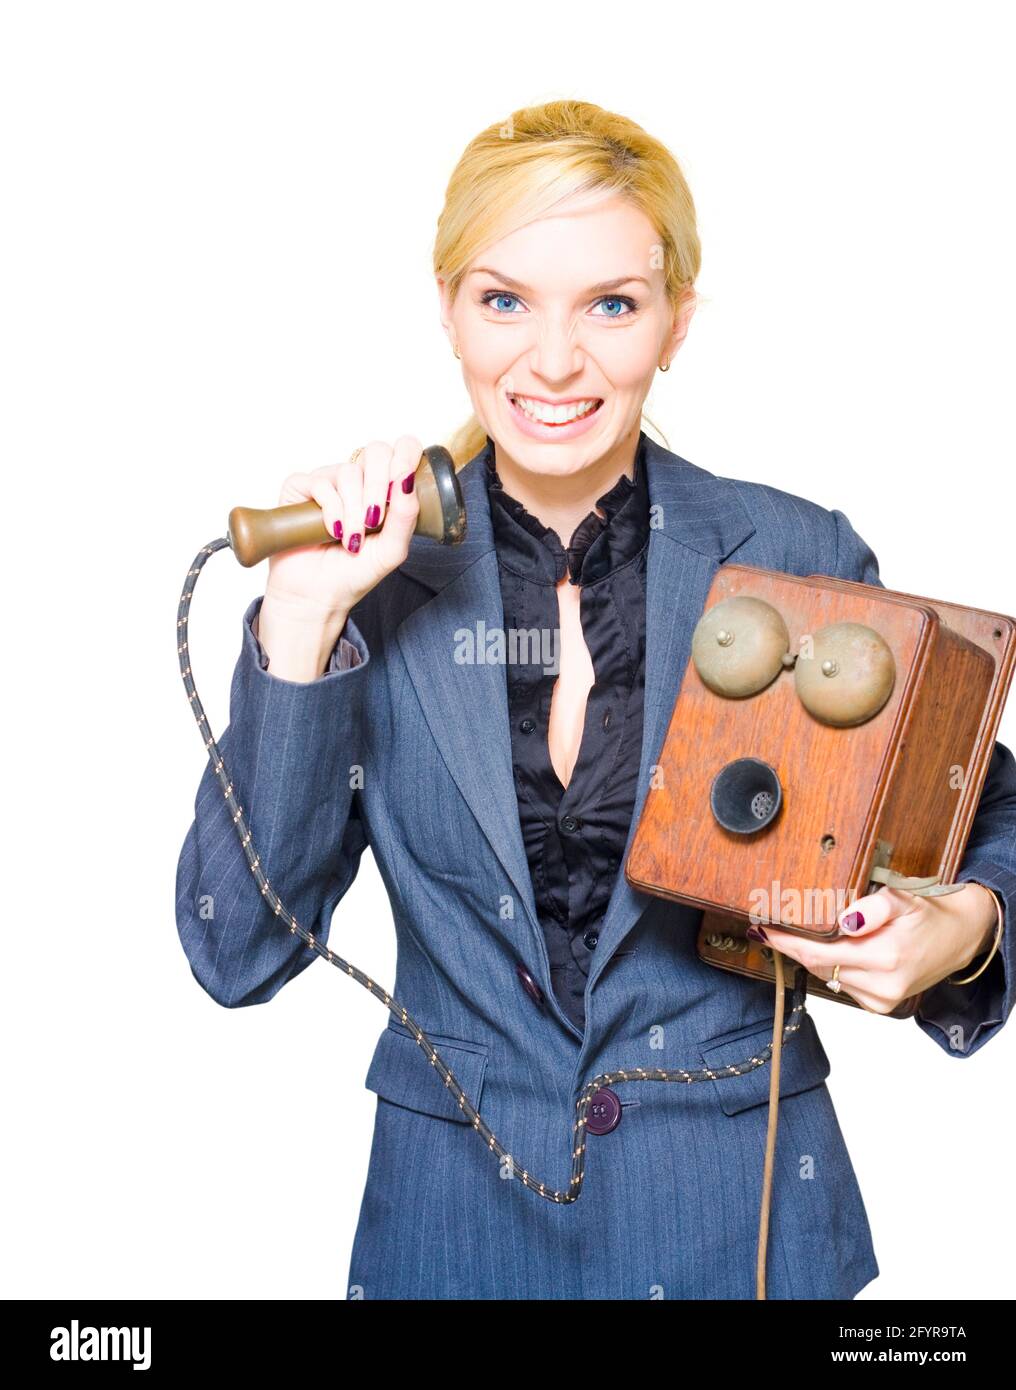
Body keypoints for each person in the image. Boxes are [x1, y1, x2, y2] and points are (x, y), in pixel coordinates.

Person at [175, 99, 1016, 1300]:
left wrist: (965, 923)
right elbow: (234, 947)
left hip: (740, 1226)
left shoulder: (790, 548)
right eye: (504, 299)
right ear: (447, 305)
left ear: (674, 320)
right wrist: (302, 618)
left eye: (611, 304)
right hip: (449, 1238)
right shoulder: (363, 575)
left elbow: (987, 814)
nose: (554, 361)